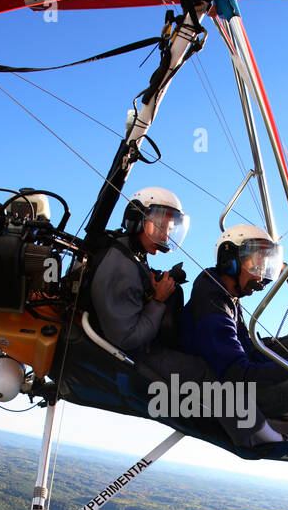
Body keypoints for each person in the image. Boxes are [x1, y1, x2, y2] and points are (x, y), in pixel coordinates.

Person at [89, 188, 263, 445]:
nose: (165, 234)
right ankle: (250, 436)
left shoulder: (130, 252)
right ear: (137, 219)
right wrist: (158, 300)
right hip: (138, 353)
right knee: (210, 372)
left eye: (170, 228)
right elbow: (126, 339)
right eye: (160, 225)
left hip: (151, 342)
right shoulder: (121, 267)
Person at [183, 223, 288, 443]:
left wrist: (284, 269)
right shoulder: (213, 310)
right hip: (229, 391)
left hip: (240, 359)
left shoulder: (219, 283)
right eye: (255, 267)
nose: (260, 278)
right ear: (229, 260)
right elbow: (238, 376)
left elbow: (254, 262)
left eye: (264, 267)